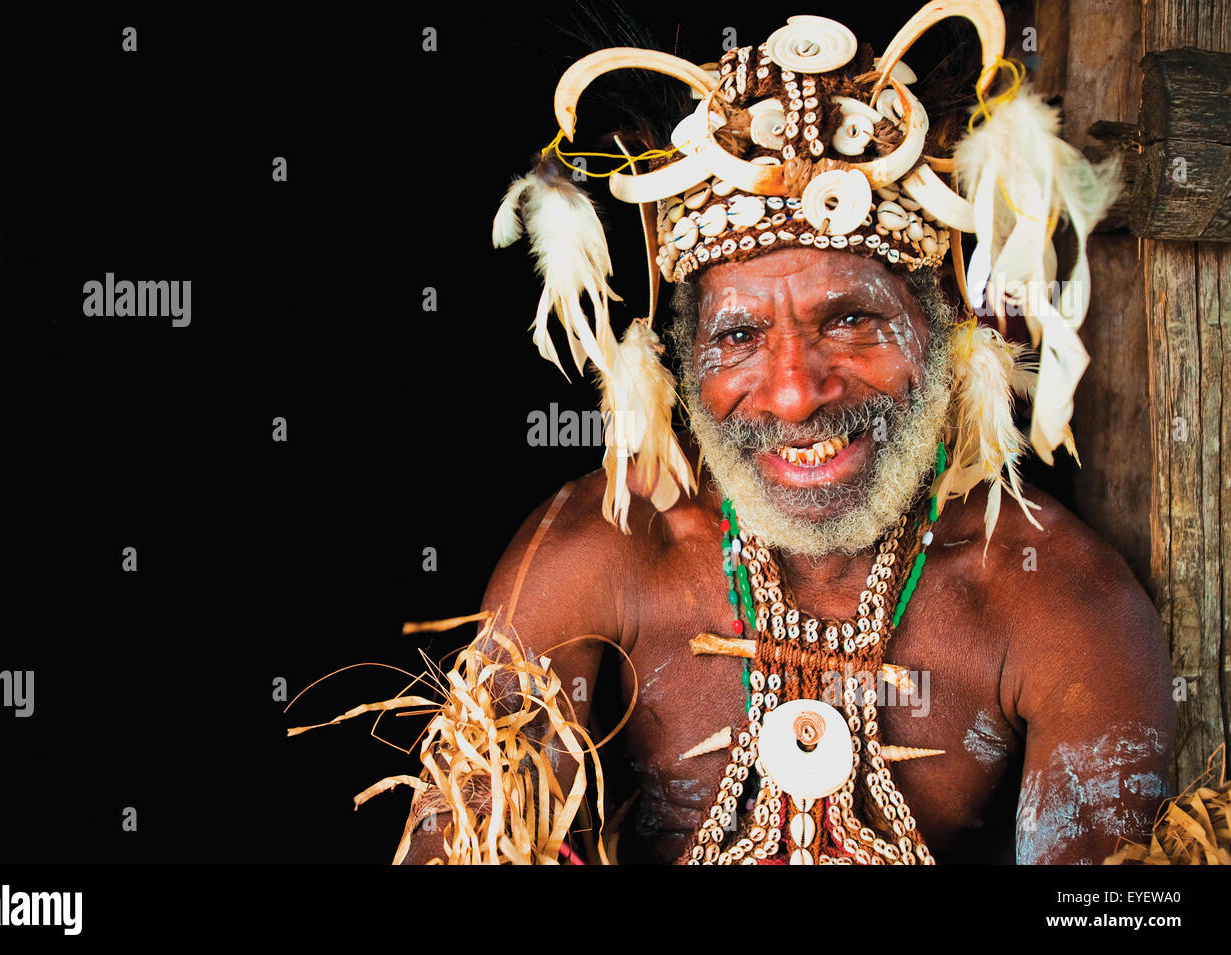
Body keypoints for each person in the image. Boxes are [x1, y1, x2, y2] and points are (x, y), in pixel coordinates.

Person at [394, 0, 1176, 865]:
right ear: (682, 361)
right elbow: (458, 849)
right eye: (738, 336)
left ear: (945, 330)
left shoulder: (1060, 600)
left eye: (850, 321)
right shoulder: (598, 553)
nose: (797, 394)